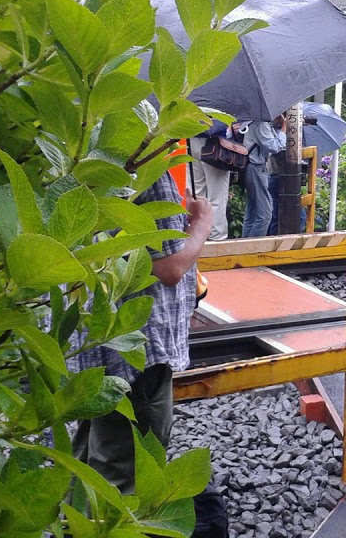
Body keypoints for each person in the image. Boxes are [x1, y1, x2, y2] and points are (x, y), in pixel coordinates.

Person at [67, 171, 227, 537]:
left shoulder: (94, 158)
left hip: (95, 338)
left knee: (87, 460)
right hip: (138, 347)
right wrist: (202, 223)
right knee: (128, 471)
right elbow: (170, 267)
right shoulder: (151, 167)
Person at [240, 115, 287, 237]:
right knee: (265, 214)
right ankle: (254, 246)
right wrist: (283, 130)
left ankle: (245, 245)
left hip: (251, 167)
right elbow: (275, 147)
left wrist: (277, 125)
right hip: (256, 167)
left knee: (252, 213)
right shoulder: (261, 124)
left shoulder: (254, 121)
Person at [188, 120, 232, 240]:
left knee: (197, 195)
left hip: (191, 139)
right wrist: (230, 129)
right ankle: (217, 238)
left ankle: (198, 237)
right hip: (215, 143)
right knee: (217, 197)